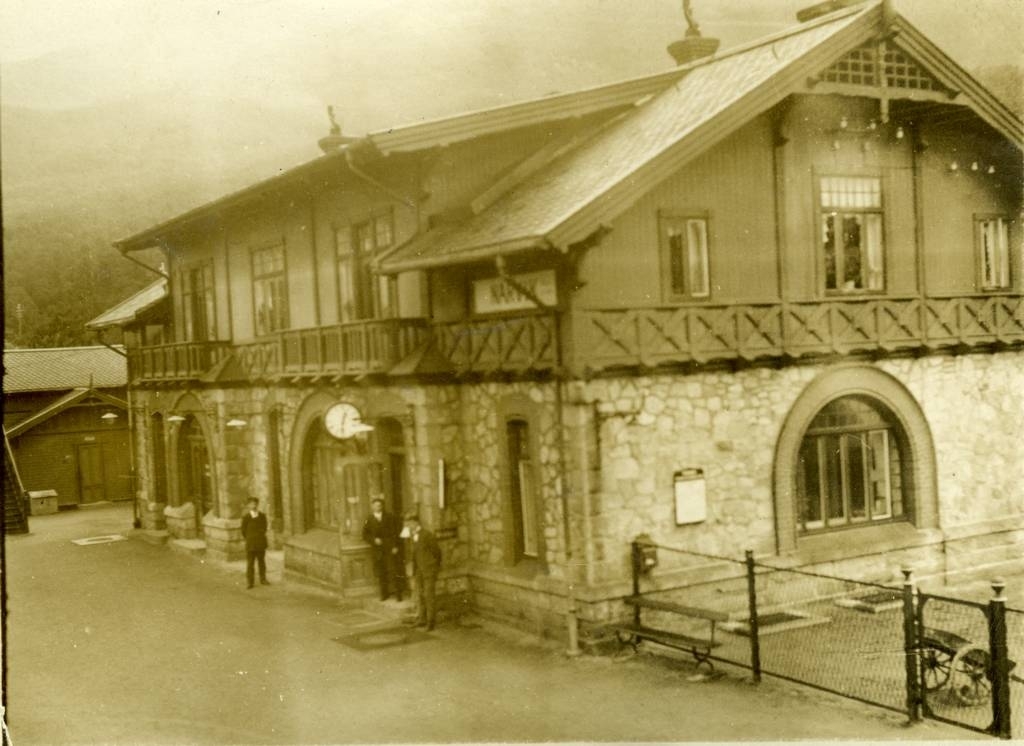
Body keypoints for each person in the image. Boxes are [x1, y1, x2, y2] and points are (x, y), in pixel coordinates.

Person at [361, 496, 405, 602]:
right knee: (381, 573)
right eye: (376, 506)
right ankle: (384, 594)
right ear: (372, 507)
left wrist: (395, 546)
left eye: (380, 505)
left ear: (382, 506)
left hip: (390, 549)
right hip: (378, 551)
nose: (378, 507)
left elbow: (396, 533)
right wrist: (373, 540)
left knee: (394, 570)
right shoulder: (369, 519)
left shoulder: (390, 517)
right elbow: (364, 534)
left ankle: (398, 594)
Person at [404, 512, 441, 630]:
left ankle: (431, 622)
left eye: (409, 523)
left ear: (416, 523)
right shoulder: (412, 536)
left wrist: (434, 567)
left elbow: (437, 552)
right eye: (407, 524)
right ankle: (422, 619)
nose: (408, 526)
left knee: (429, 595)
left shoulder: (427, 535)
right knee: (419, 595)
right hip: (419, 570)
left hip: (429, 569)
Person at [240, 497, 269, 589]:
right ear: (248, 505)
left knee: (262, 562)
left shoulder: (262, 516)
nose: (254, 505)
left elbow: (264, 528)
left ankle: (263, 579)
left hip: (260, 543)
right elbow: (243, 531)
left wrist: (259, 537)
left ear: (257, 505)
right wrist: (250, 538)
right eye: (251, 504)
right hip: (251, 544)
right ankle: (250, 582)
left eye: (255, 503)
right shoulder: (246, 517)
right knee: (250, 564)